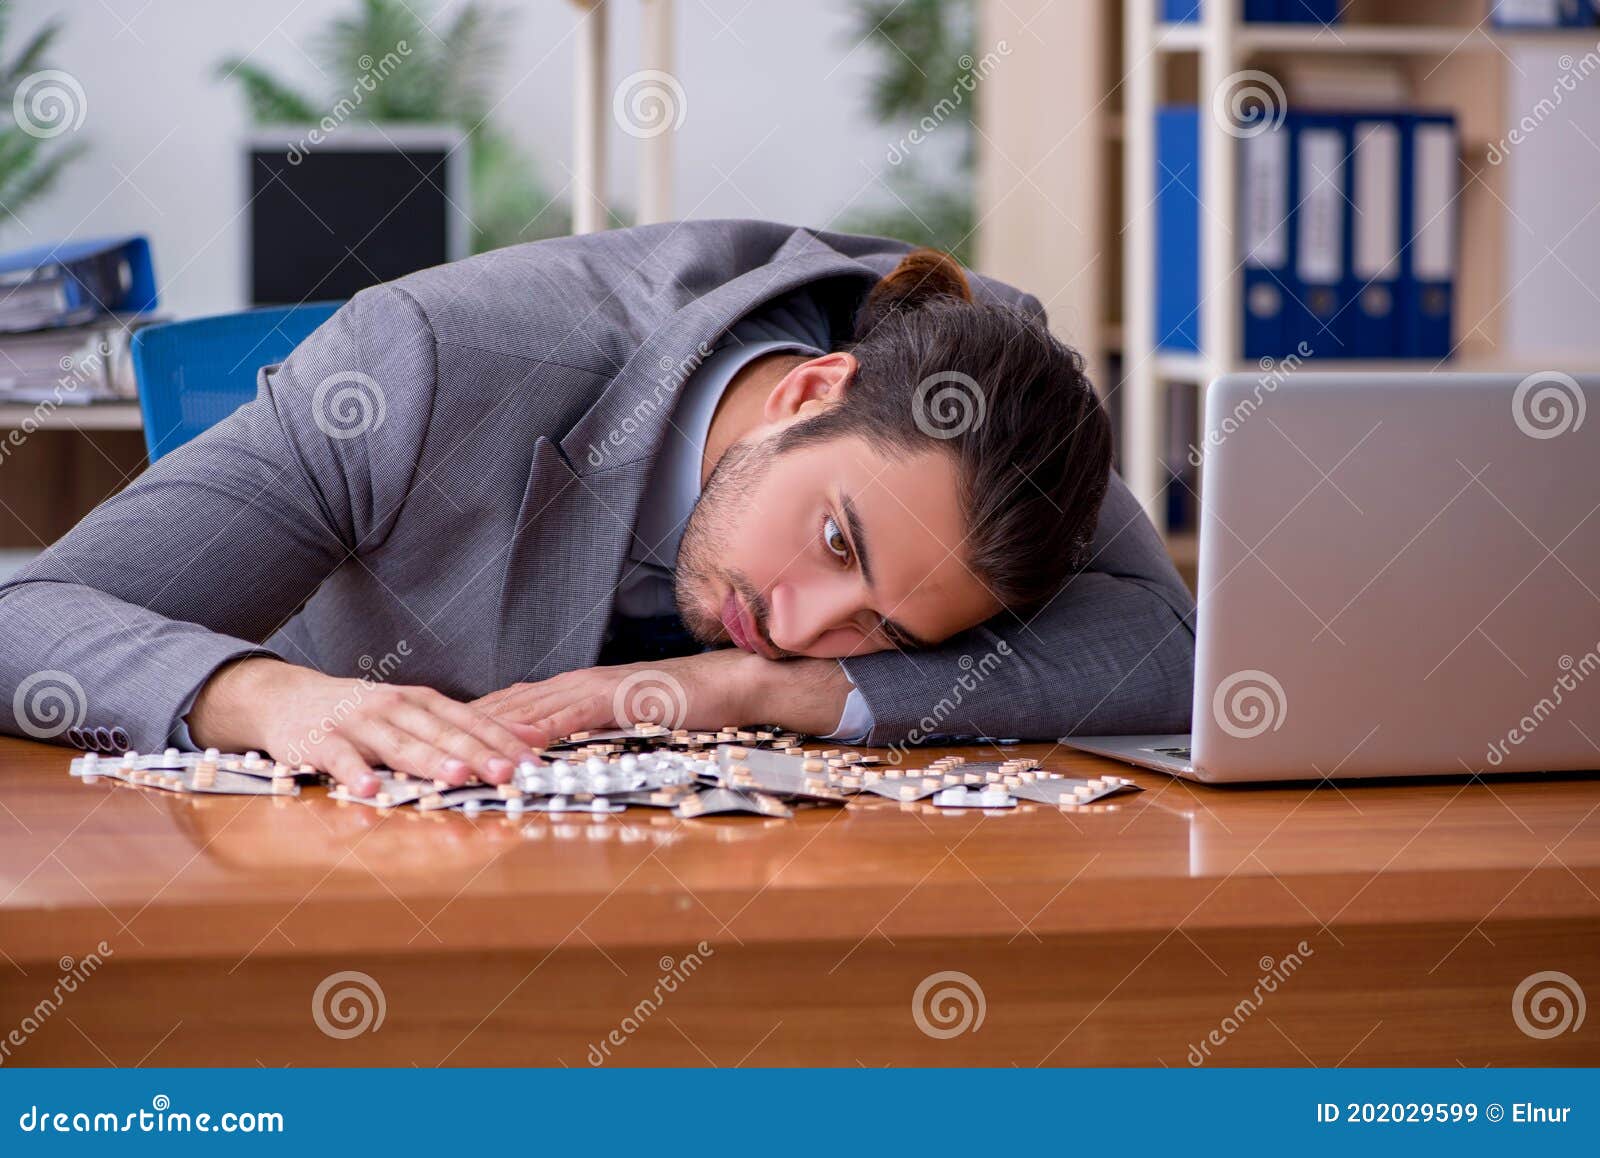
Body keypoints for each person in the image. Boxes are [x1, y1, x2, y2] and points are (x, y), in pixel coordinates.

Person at [0, 221, 1194, 795]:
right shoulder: (426, 369)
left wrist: (757, 687)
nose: (797, 619)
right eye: (835, 542)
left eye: (881, 627)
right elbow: (24, 612)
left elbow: (1167, 650)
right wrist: (268, 694)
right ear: (813, 389)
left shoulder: (992, 424)